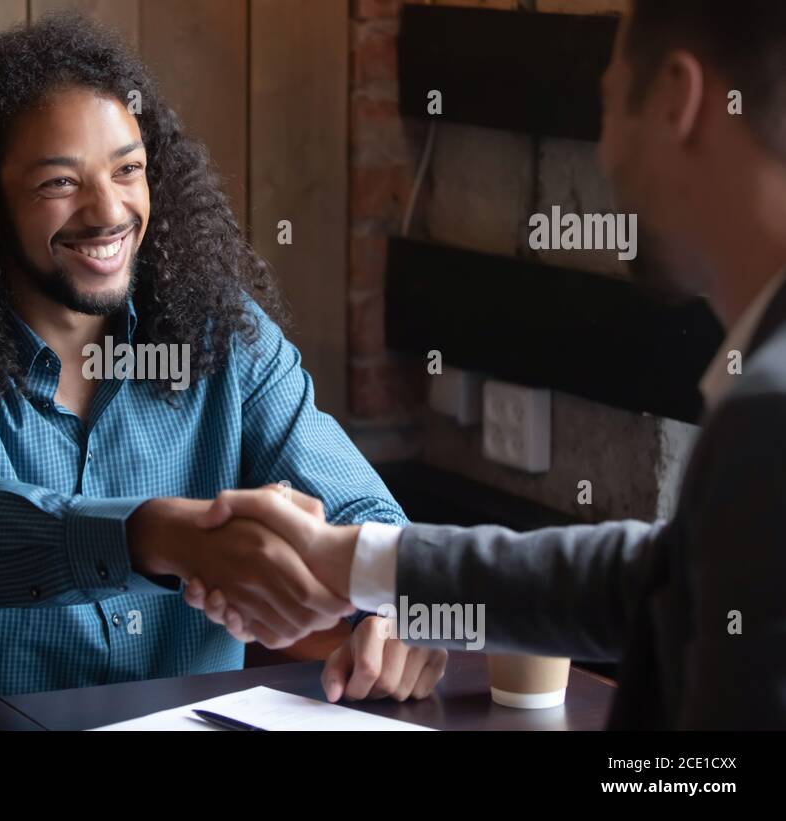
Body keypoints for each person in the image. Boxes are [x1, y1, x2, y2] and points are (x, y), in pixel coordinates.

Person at [186, 0, 786, 729]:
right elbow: (650, 578)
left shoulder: (767, 415)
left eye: (606, 106)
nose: (602, 157)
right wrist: (348, 564)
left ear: (674, 102)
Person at [0, 14, 447, 706]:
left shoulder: (223, 335)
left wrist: (398, 594)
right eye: (59, 183)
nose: (108, 211)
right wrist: (155, 535)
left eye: (128, 170)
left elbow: (357, 501)